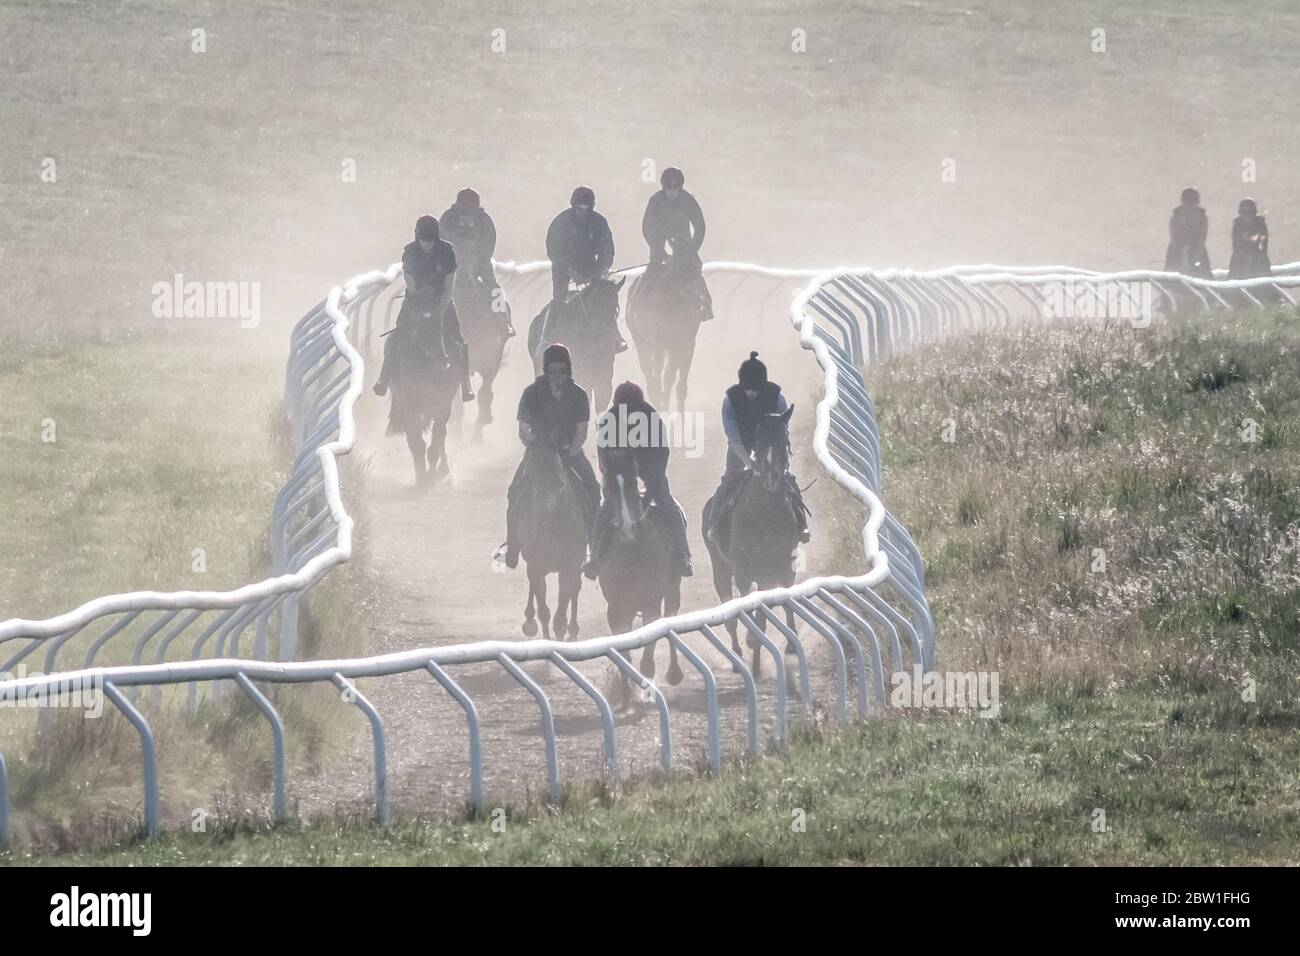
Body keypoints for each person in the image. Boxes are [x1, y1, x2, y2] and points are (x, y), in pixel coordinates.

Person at [500, 343, 600, 569]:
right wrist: (536, 450)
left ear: (569, 371)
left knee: (594, 490)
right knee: (514, 492)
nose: (558, 377)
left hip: (569, 453)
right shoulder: (531, 393)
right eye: (553, 372)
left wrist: (568, 453)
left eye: (562, 371)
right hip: (538, 453)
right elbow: (523, 430)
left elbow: (581, 432)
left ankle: (593, 550)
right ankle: (513, 547)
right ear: (546, 371)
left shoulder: (579, 395)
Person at [586, 381, 693, 579]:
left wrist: (651, 485)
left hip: (650, 470)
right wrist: (614, 480)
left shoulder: (652, 417)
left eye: (633, 409)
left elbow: (662, 453)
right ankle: (595, 558)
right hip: (620, 473)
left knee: (668, 505)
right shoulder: (609, 420)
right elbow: (604, 457)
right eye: (624, 410)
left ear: (640, 406)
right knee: (604, 509)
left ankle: (682, 554)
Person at [704, 352, 810, 545]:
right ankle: (715, 524)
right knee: (729, 478)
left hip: (770, 440)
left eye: (756, 389)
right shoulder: (730, 400)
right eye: (747, 389)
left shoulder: (777, 398)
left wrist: (778, 461)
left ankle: (801, 524)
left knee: (787, 477)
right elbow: (733, 438)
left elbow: (782, 433)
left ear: (763, 386)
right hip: (741, 443)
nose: (751, 393)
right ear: (741, 385)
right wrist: (749, 463)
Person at [373, 215, 474, 401]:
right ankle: (384, 378)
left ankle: (465, 383)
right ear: (417, 237)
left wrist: (439, 310)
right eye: (423, 240)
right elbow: (410, 285)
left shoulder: (447, 252)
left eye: (431, 240)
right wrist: (420, 310)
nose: (427, 244)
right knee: (396, 337)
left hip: (442, 301)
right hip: (415, 302)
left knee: (459, 340)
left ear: (437, 238)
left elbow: (449, 285)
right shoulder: (409, 253)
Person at [544, 186, 625, 350]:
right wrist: (569, 271)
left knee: (604, 298)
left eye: (587, 208)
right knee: (558, 300)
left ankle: (615, 336)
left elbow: (607, 248)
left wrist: (603, 268)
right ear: (574, 206)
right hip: (563, 268)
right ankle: (545, 339)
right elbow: (553, 251)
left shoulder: (600, 222)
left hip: (589, 265)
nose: (583, 211)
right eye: (580, 208)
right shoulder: (560, 222)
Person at [439, 187, 515, 337]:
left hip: (479, 263)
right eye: (464, 211)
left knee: (495, 289)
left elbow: (489, 245)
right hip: (448, 266)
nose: (467, 215)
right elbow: (440, 242)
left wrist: (476, 264)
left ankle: (503, 321)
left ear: (477, 210)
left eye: (470, 211)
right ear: (457, 208)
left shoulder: (485, 221)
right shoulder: (447, 219)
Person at [641, 166, 713, 320]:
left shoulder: (688, 200)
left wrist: (692, 249)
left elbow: (700, 226)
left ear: (680, 187)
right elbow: (647, 227)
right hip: (660, 246)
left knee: (695, 270)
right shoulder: (655, 201)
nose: (672, 190)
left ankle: (705, 305)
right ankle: (639, 307)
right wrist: (659, 249)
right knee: (652, 273)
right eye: (668, 187)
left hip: (684, 248)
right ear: (663, 187)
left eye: (675, 187)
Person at [1164, 187, 1211, 279]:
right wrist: (1181, 251)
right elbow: (1174, 236)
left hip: (1197, 248)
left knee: (1203, 276)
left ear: (1197, 203)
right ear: (1183, 202)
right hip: (1177, 249)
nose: (1190, 205)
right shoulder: (1176, 218)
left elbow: (1202, 236)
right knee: (1172, 277)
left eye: (1193, 202)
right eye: (1187, 201)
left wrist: (1195, 253)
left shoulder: (1203, 218)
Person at [1229, 198, 1272, 279]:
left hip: (1258, 257)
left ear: (1255, 212)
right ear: (1241, 213)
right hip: (1241, 259)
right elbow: (1236, 245)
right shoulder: (1237, 224)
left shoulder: (1260, 223)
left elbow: (1263, 242)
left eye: (1251, 212)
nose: (1248, 215)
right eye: (1244, 212)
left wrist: (1252, 240)